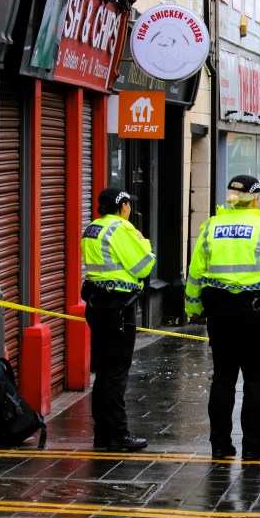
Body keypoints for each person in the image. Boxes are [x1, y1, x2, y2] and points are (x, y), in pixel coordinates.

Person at [185, 175, 260, 461]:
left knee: (223, 379)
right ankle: (252, 445)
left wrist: (193, 308)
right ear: (256, 197)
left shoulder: (211, 226)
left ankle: (220, 445)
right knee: (256, 381)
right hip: (255, 311)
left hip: (220, 312)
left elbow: (195, 273)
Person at [81, 187, 157, 452]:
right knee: (116, 373)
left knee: (103, 372)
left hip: (98, 305)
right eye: (128, 204)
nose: (130, 209)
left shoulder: (92, 228)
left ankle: (102, 433)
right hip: (118, 308)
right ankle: (117, 435)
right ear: (122, 205)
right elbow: (143, 266)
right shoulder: (121, 229)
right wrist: (143, 241)